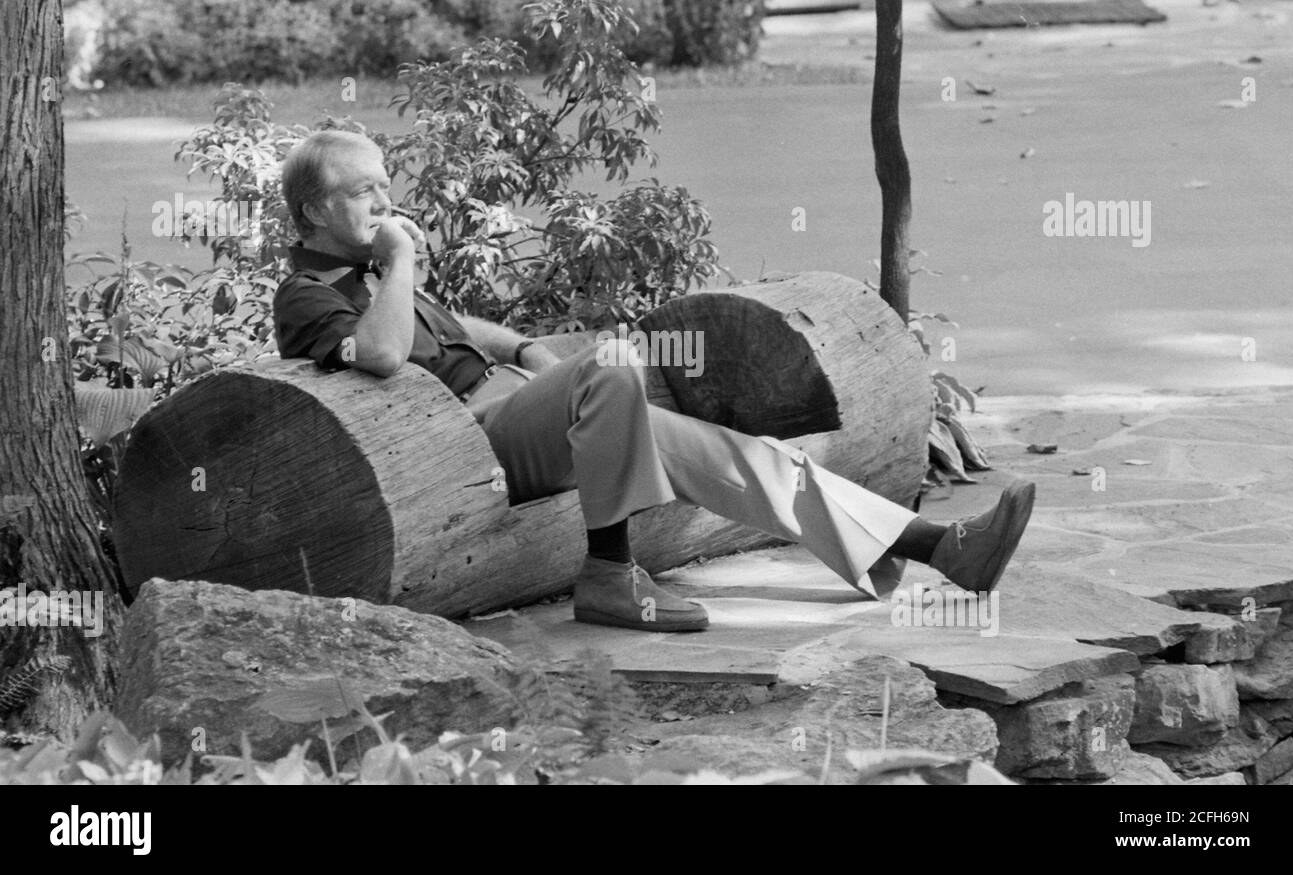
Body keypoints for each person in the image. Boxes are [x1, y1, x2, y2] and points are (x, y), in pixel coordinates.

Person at [272, 131, 1036, 632]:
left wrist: (530, 347)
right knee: (612, 365)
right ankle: (608, 574)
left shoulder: (374, 272)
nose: (385, 200)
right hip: (466, 456)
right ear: (313, 210)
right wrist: (403, 260)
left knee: (740, 456)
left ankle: (941, 548)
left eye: (384, 183)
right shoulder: (311, 295)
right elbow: (378, 354)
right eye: (362, 191)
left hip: (523, 417)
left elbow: (464, 332)